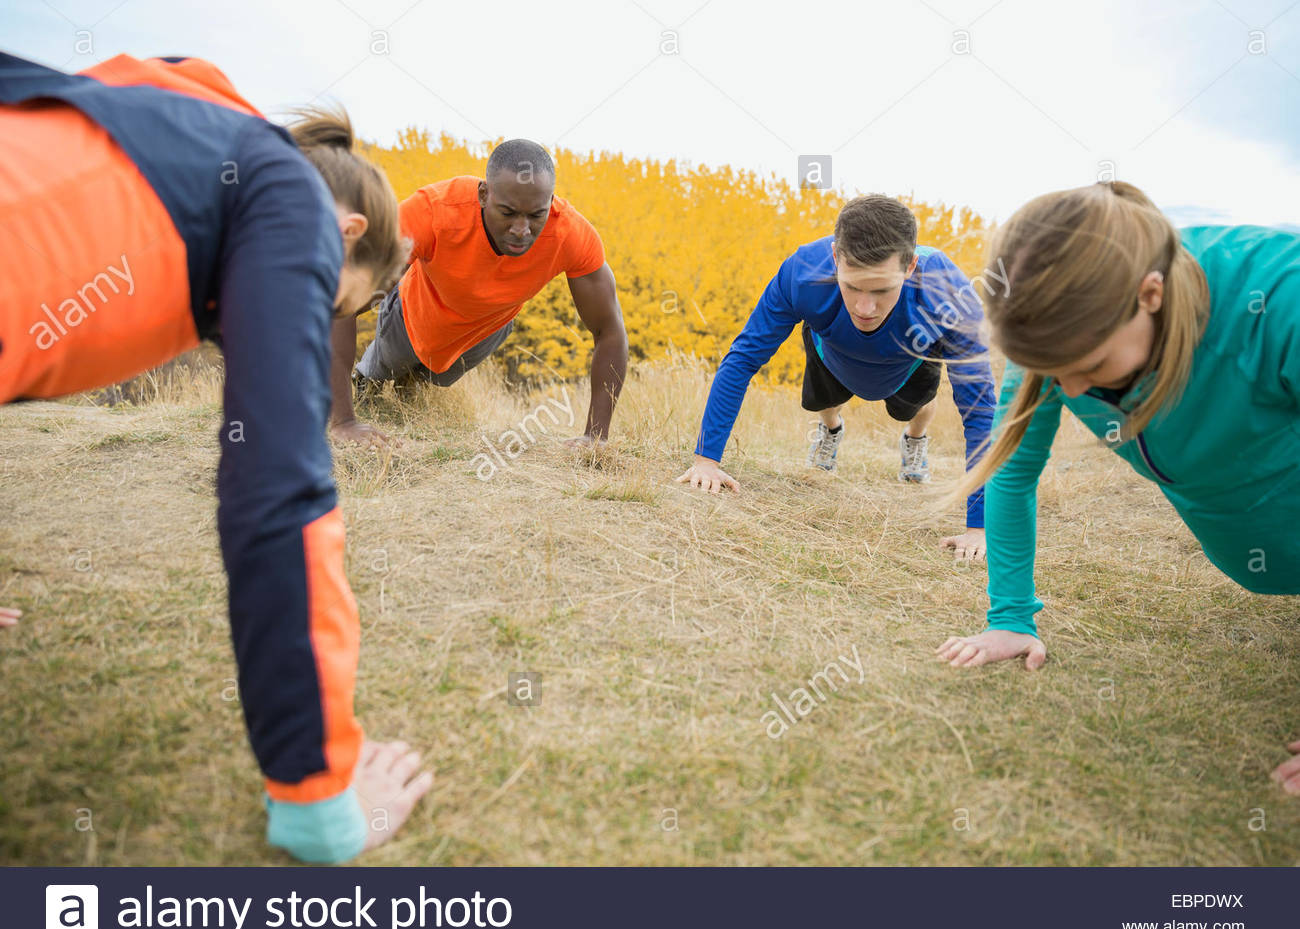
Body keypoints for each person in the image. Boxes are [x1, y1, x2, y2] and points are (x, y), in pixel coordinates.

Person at [0, 51, 432, 860]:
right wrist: (324, 805)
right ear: (346, 235)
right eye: (337, 302)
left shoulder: (161, 112)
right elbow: (278, 498)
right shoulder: (291, 199)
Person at [933, 181, 1300, 793]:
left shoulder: (1280, 297)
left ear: (1150, 295)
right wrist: (1010, 617)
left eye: (1092, 368)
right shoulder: (1058, 328)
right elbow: (1013, 471)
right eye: (1054, 373)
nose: (1070, 393)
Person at [676, 195, 996, 560]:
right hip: (834, 350)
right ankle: (831, 430)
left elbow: (980, 411)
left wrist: (979, 527)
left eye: (881, 290)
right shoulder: (803, 273)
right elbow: (743, 359)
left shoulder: (948, 294)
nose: (865, 308)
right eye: (853, 286)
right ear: (834, 259)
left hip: (907, 359)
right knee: (822, 402)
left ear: (910, 267)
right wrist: (706, 461)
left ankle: (915, 440)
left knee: (914, 409)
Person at [330, 140, 628, 447]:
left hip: (484, 328)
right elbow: (341, 300)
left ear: (551, 201)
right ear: (484, 194)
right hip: (413, 314)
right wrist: (344, 422)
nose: (521, 229)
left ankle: (411, 386)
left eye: (536, 215)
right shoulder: (432, 210)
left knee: (429, 382)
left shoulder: (572, 234)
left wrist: (596, 436)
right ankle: (367, 377)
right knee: (387, 365)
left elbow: (610, 331)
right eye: (508, 212)